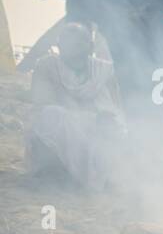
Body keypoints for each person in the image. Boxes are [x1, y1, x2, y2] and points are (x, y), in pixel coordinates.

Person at [26, 22, 122, 189]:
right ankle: (56, 172)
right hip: (59, 132)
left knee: (114, 126)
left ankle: (103, 176)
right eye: (69, 45)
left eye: (80, 45)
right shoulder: (47, 65)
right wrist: (89, 119)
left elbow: (114, 106)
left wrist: (107, 119)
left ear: (90, 46)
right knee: (52, 115)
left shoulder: (103, 70)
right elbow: (42, 104)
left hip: (97, 130)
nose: (75, 50)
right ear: (59, 46)